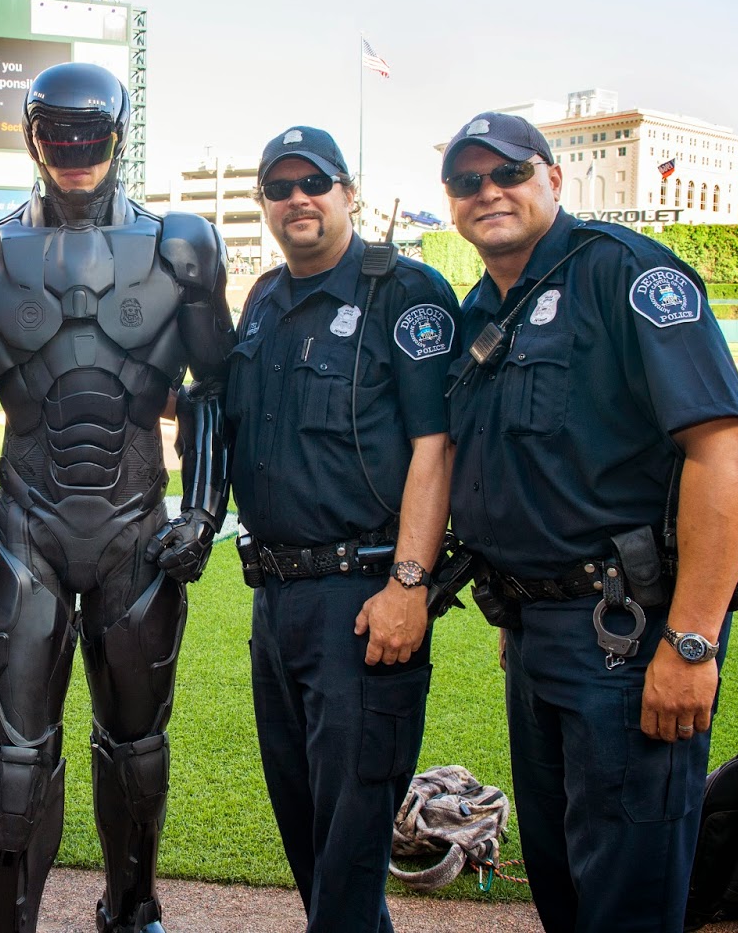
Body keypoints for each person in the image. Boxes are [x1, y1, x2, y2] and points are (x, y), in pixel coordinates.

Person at [0, 62, 236, 933]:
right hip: (26, 526)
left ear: (117, 137)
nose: (72, 154)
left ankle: (131, 911)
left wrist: (203, 508)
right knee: (17, 763)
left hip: (138, 527)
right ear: (31, 137)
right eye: (55, 136)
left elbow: (214, 386)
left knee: (139, 754)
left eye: (87, 136)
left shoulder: (185, 246)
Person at [439, 112, 738, 933]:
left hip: (628, 629)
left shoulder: (625, 274)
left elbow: (723, 452)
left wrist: (692, 640)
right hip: (535, 630)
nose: (489, 192)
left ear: (552, 178)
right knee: (562, 881)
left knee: (627, 892)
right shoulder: (479, 312)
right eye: (468, 181)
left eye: (508, 172)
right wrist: (521, 610)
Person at [225, 127, 456, 933]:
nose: (298, 198)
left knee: (351, 849)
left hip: (362, 602)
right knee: (312, 842)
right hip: (275, 603)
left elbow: (438, 445)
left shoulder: (406, 292)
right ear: (265, 205)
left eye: (314, 181)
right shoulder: (262, 302)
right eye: (280, 187)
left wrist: (409, 581)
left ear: (348, 191)